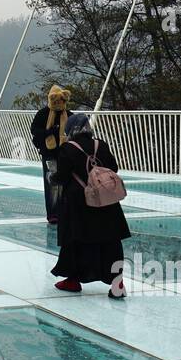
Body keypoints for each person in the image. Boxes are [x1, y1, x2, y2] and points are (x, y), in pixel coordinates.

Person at [51, 113, 130, 297]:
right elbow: (114, 168)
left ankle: (72, 280)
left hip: (79, 203)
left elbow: (62, 177)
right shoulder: (100, 145)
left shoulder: (67, 149)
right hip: (105, 201)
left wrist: (51, 177)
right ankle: (117, 284)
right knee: (110, 241)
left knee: (76, 240)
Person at [30, 84, 73, 224]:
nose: (58, 104)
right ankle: (54, 213)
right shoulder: (43, 114)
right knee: (52, 184)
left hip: (65, 154)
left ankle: (64, 211)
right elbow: (34, 130)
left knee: (64, 183)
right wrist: (49, 132)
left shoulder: (69, 115)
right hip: (50, 154)